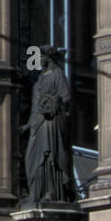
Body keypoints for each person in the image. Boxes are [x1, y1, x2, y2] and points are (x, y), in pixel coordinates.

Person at [24, 45, 76, 203]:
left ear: (49, 58)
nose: (39, 60)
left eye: (41, 57)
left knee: (49, 156)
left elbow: (66, 98)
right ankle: (35, 192)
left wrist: (54, 105)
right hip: (38, 124)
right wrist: (27, 126)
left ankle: (52, 192)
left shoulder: (58, 75)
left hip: (51, 123)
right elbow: (34, 107)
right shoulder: (40, 79)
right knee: (31, 157)